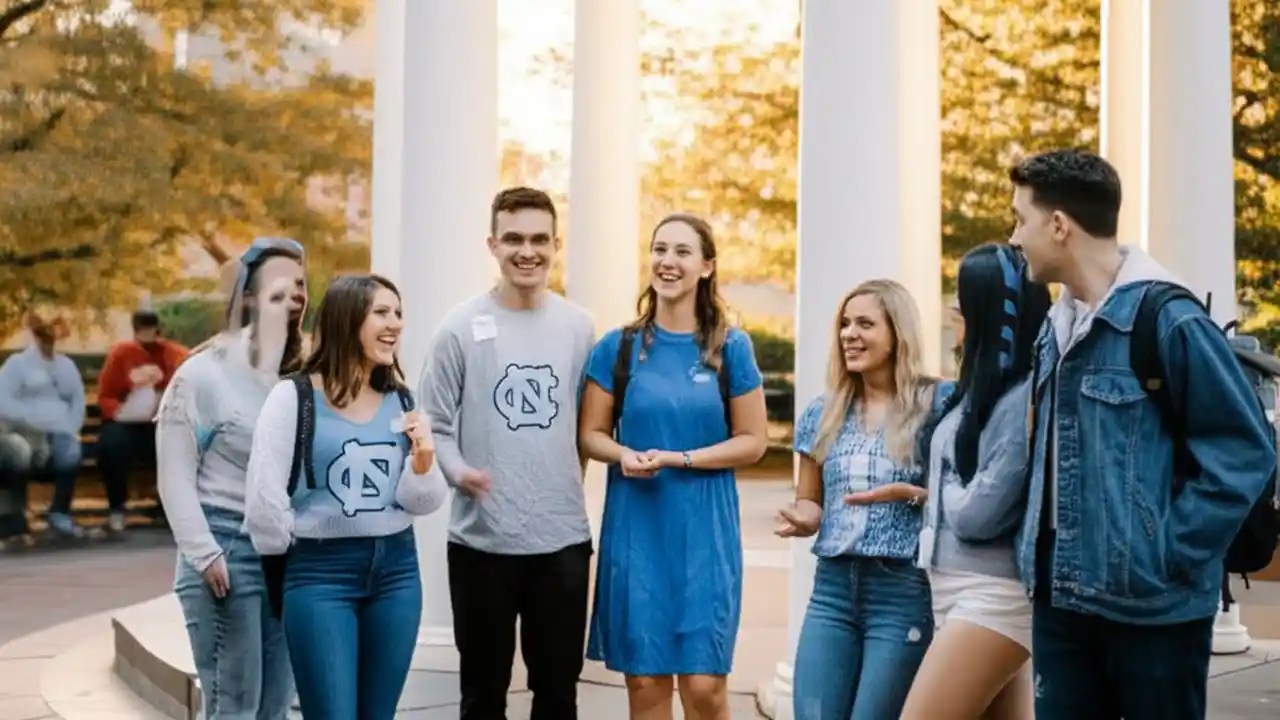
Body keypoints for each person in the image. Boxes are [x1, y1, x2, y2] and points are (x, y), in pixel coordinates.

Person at [1008, 149, 1276, 720]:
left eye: (1020, 219)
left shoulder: (1169, 318)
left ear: (1059, 226)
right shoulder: (1056, 327)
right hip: (1062, 602)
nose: (1014, 237)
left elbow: (1245, 450)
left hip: (1155, 609)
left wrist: (1168, 554)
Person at [578, 213, 769, 719]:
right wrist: (625, 455)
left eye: (683, 252)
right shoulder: (617, 347)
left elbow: (753, 442)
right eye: (660, 249)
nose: (668, 261)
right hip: (638, 530)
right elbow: (591, 434)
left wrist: (679, 458)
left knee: (705, 687)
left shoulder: (731, 347)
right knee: (645, 684)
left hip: (705, 530)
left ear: (706, 266)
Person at [421, 186, 596, 720]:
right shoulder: (457, 327)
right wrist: (459, 472)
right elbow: (432, 423)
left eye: (540, 239)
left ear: (556, 245)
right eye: (514, 239)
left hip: (561, 541)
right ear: (492, 244)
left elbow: (585, 424)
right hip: (481, 545)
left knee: (558, 692)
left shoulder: (579, 327)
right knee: (481, 692)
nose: (528, 251)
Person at [245, 273, 448, 718]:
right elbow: (263, 501)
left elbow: (422, 502)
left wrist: (423, 461)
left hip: (397, 572)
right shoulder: (292, 398)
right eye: (381, 312)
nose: (394, 323)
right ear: (345, 319)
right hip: (320, 574)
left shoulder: (401, 399)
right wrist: (297, 545)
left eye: (398, 313)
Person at [774, 279, 948, 720]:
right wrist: (803, 515)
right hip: (832, 588)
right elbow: (811, 501)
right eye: (845, 324)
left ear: (897, 333)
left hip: (902, 590)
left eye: (865, 324)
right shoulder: (823, 410)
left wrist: (915, 496)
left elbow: (963, 496)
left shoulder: (938, 405)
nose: (849, 334)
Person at [155, 237, 307, 719]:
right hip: (224, 553)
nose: (296, 296)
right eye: (280, 286)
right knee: (233, 709)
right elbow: (175, 476)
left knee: (273, 709)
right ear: (247, 297)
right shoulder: (202, 375)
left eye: (301, 286)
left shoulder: (299, 377)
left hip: (284, 555)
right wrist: (204, 553)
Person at [897, 243, 1050, 720]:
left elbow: (980, 512)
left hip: (993, 595)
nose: (952, 312)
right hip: (960, 589)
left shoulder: (1024, 395)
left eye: (962, 302)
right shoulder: (984, 393)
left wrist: (942, 494)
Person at [98, 309, 188, 530]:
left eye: (152, 330)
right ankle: (117, 508)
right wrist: (118, 412)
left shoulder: (174, 353)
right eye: (143, 330)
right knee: (112, 445)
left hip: (161, 421)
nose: (148, 335)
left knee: (178, 443)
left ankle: (170, 506)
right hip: (127, 421)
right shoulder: (121, 353)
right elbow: (106, 394)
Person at [0, 313, 85, 537]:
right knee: (18, 451)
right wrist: (31, 419)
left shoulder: (66, 366)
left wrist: (70, 427)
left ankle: (59, 512)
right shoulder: (17, 365)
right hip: (23, 431)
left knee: (70, 450)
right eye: (42, 336)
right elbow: (3, 400)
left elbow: (77, 401)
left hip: (58, 430)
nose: (47, 342)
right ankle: (15, 513)